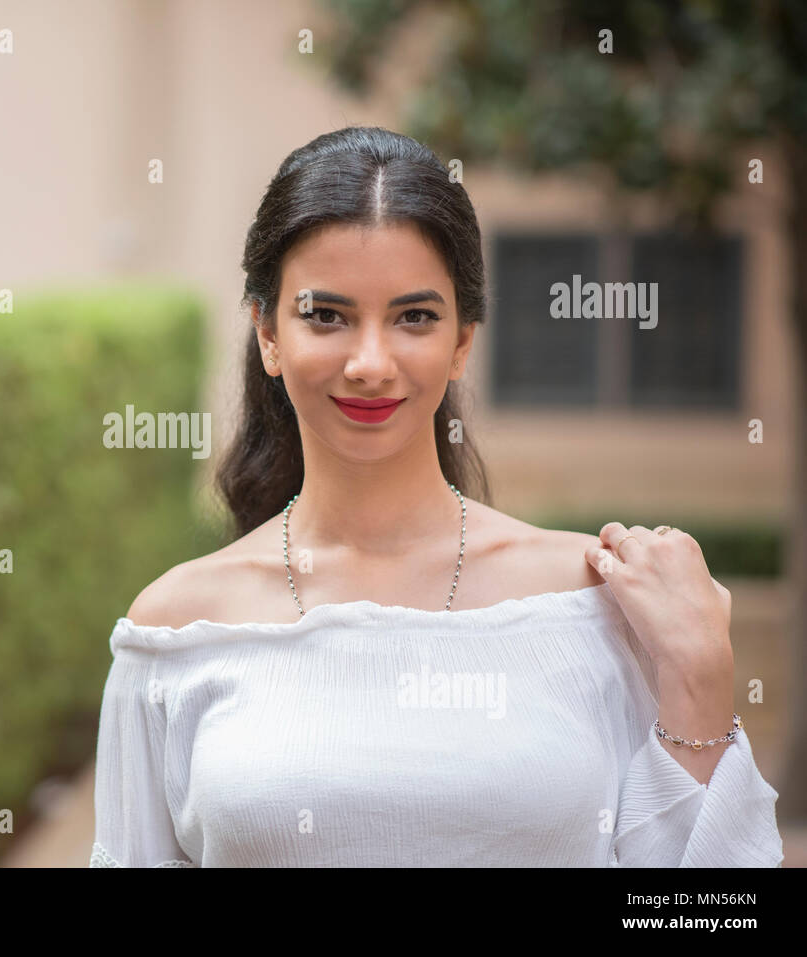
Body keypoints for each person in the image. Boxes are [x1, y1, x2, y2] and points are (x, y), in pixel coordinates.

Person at [89, 126, 783, 867]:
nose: (370, 362)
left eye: (414, 316)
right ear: (266, 332)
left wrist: (701, 679)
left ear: (462, 340)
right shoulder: (177, 633)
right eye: (326, 315)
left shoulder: (600, 601)